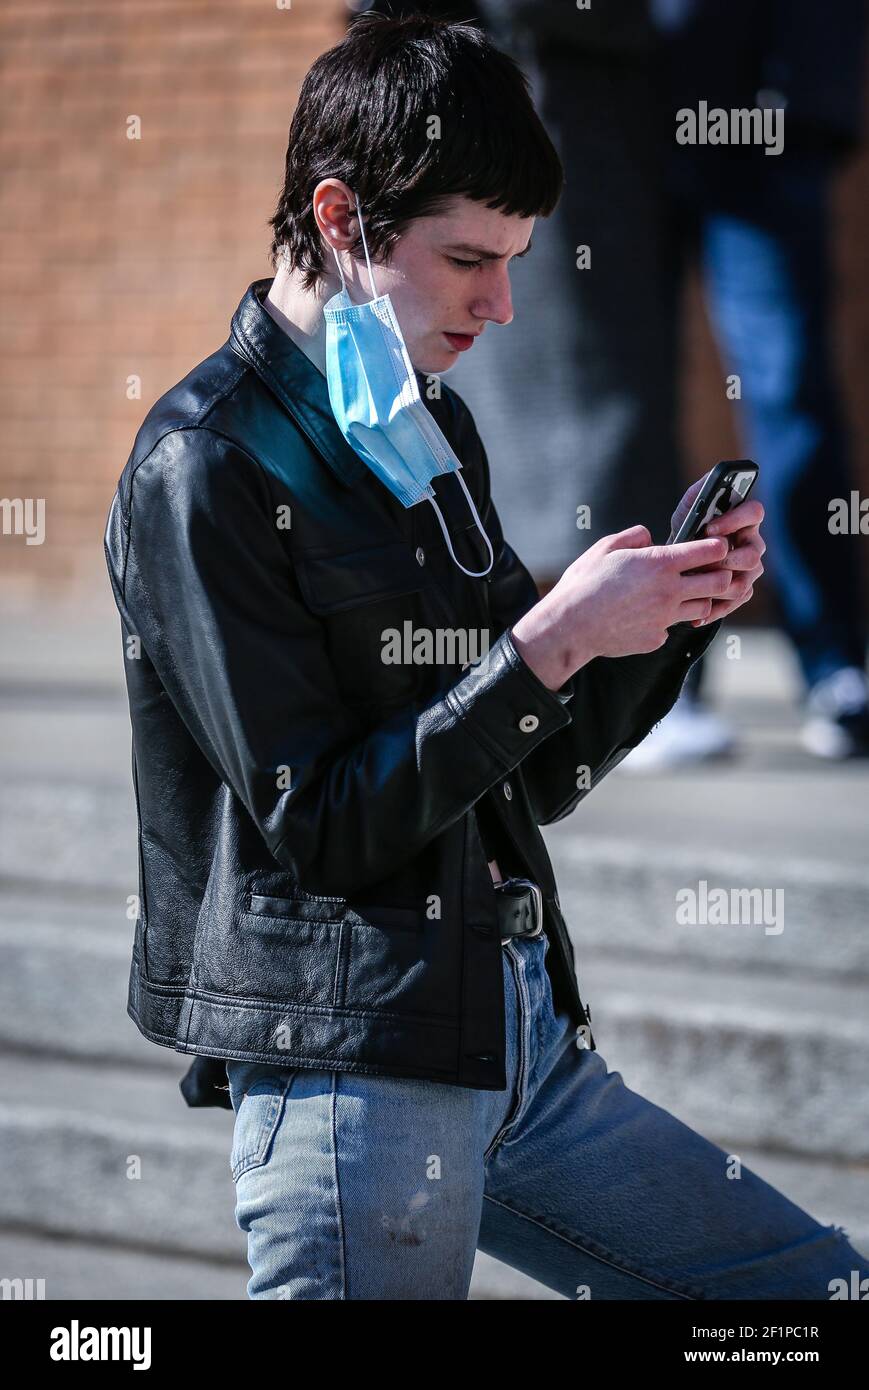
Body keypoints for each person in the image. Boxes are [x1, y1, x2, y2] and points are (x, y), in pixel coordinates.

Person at [104, 13, 866, 1300]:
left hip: (512, 1035)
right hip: (356, 1070)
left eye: (512, 261)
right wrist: (552, 636)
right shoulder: (204, 468)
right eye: (466, 260)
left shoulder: (426, 422)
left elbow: (526, 772)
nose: (502, 306)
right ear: (339, 217)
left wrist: (658, 623)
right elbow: (330, 826)